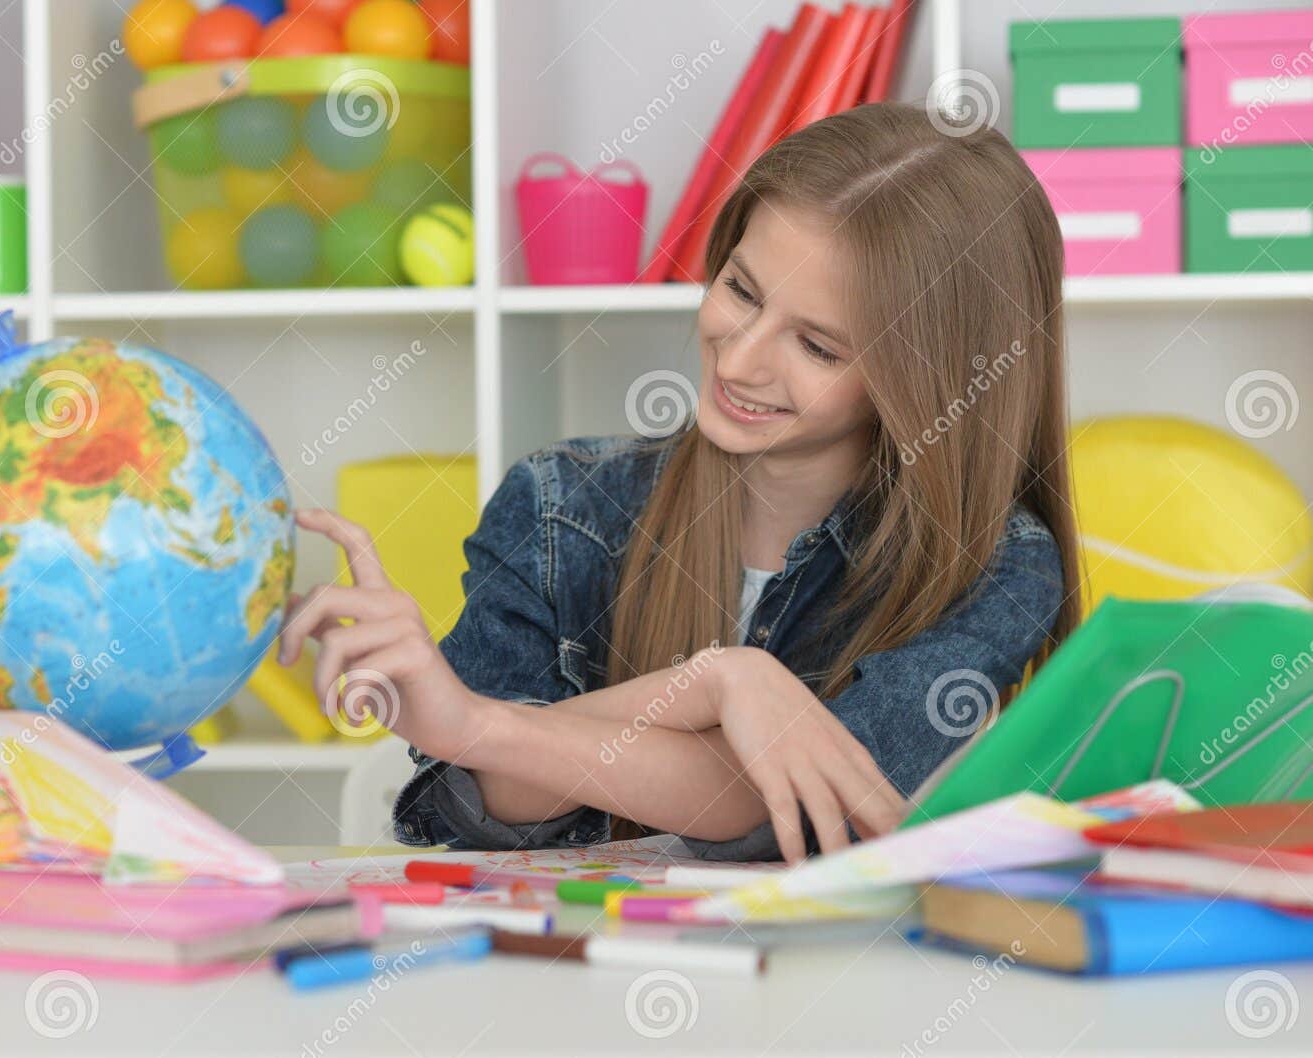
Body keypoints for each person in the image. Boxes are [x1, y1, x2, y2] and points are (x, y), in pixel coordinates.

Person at [280, 102, 1080, 862]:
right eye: (741, 290)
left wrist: (476, 723)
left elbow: (788, 807)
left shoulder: (996, 565)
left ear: (931, 382)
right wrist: (709, 686)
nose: (737, 361)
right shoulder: (559, 505)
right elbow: (494, 797)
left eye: (819, 347)